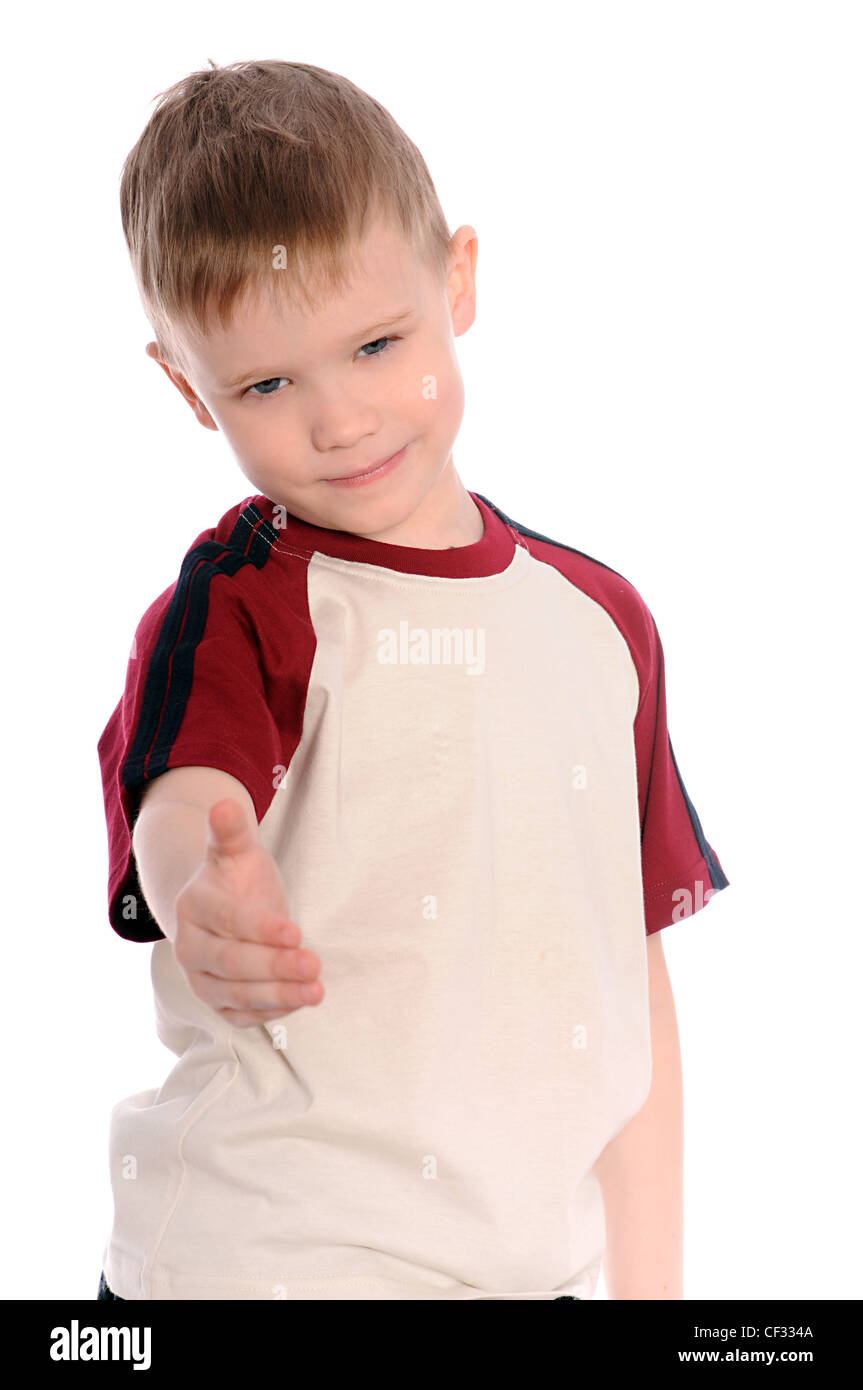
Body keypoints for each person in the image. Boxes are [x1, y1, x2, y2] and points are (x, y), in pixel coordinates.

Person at [96, 58, 729, 1302]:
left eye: (376, 343)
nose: (339, 421)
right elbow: (186, 788)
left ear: (458, 281)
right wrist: (196, 893)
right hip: (269, 1257)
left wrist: (652, 1297)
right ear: (185, 385)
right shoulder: (243, 599)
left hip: (519, 1266)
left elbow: (629, 980)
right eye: (267, 385)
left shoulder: (598, 623)